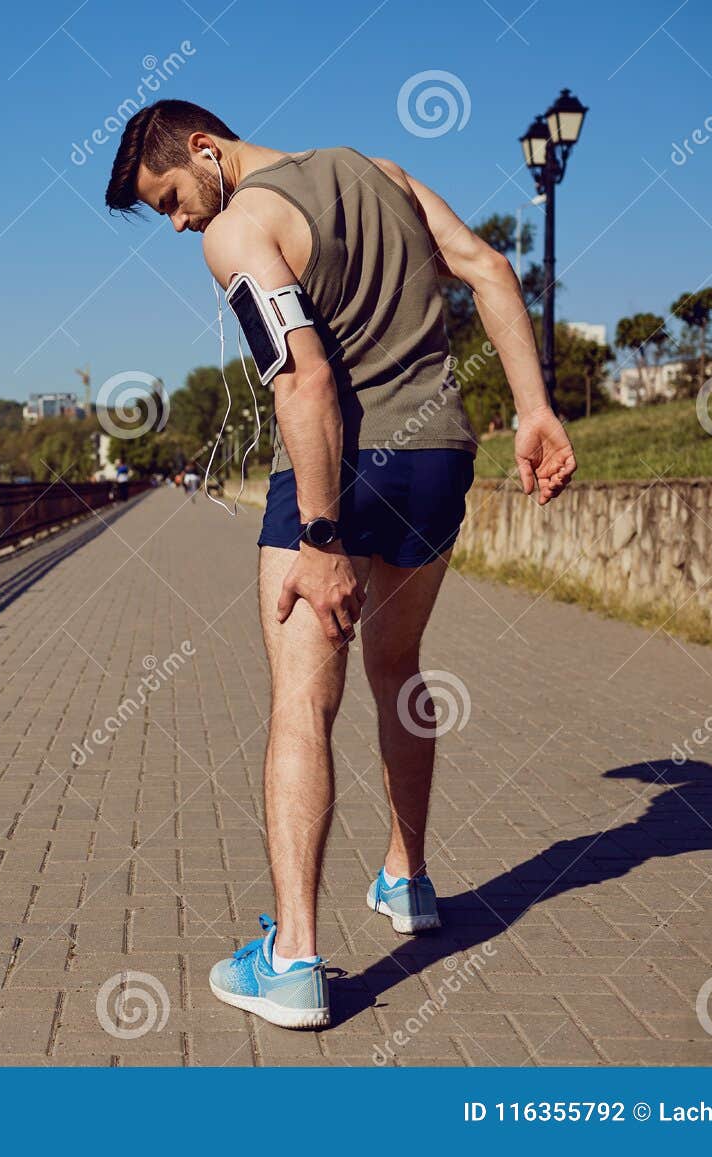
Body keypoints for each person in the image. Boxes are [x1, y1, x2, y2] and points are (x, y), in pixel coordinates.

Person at [104, 100, 575, 1029]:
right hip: (438, 457)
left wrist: (320, 539)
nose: (181, 224)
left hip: (341, 471)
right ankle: (408, 878)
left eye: (171, 200)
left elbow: (306, 377)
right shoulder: (382, 172)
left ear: (205, 149)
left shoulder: (240, 227)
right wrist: (534, 409)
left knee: (302, 701)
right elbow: (488, 267)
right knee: (398, 671)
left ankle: (293, 962)